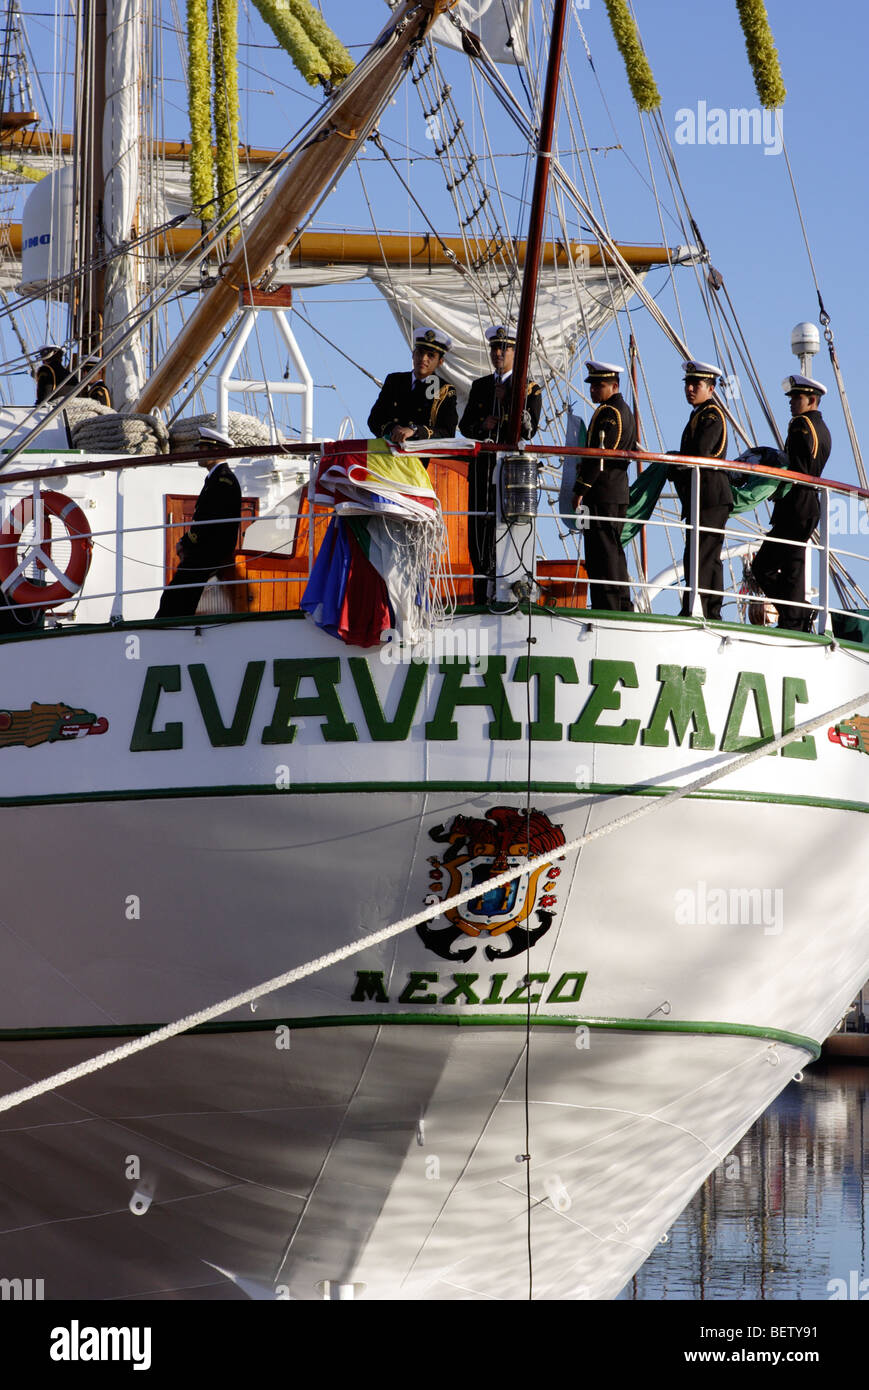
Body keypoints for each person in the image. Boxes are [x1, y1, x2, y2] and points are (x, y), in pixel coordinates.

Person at [459, 324, 542, 604]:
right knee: (479, 532)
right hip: (482, 469)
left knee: (509, 530)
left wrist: (508, 405)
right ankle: (482, 594)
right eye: (495, 347)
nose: (498, 353)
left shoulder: (530, 388)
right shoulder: (480, 386)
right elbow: (465, 427)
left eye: (504, 348)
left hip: (511, 474)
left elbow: (529, 429)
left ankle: (506, 591)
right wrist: (482, 424)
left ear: (515, 353)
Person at [751, 373, 831, 631]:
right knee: (794, 570)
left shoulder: (800, 425)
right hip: (809, 507)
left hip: (795, 506)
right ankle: (794, 621)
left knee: (762, 566)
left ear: (812, 400)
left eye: (797, 397)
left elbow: (795, 468)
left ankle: (795, 613)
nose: (791, 402)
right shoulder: (823, 429)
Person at [669, 360, 732, 620]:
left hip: (709, 496)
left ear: (712, 387)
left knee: (702, 555)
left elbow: (699, 455)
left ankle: (698, 610)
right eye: (688, 383)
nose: (690, 388)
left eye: (697, 384)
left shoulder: (711, 415)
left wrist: (673, 463)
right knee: (703, 554)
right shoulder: (698, 414)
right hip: (702, 496)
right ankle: (709, 610)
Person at [157, 427, 242, 618]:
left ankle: (168, 630)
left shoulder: (223, 480)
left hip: (209, 552)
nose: (198, 453)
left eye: (203, 449)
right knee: (174, 596)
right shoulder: (216, 478)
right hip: (205, 551)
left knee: (174, 598)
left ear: (217, 451)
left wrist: (186, 543)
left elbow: (210, 522)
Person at [571, 360, 636, 611]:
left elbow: (600, 456)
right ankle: (621, 604)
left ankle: (608, 606)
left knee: (602, 554)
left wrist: (580, 489)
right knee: (613, 551)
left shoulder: (610, 413)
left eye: (599, 385)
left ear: (614, 386)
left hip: (603, 493)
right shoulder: (624, 410)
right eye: (592, 385)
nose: (593, 390)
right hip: (615, 492)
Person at [367, 326, 458, 448]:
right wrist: (392, 429)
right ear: (413, 354)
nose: (423, 358)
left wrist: (414, 431)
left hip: (420, 460)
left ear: (440, 362)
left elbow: (447, 433)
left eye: (430, 355)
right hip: (388, 453)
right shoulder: (394, 381)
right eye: (420, 352)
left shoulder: (443, 390)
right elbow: (374, 419)